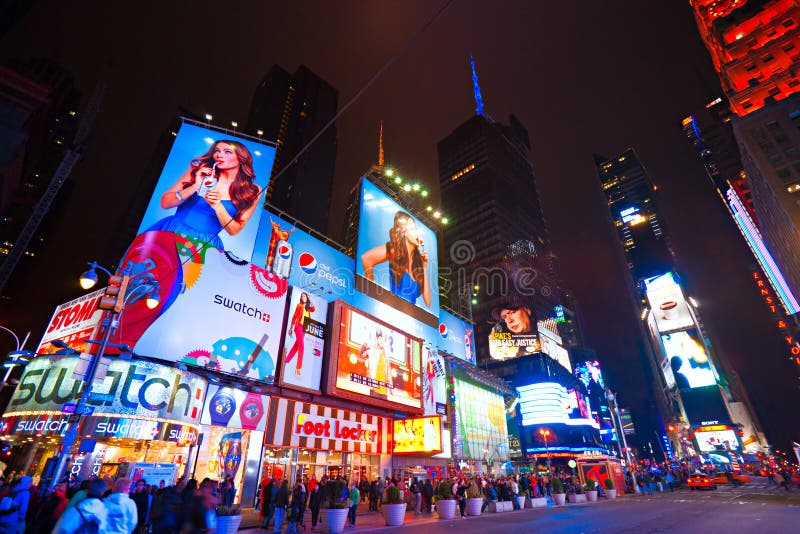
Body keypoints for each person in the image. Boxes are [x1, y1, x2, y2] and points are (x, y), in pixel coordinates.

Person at [148, 139, 261, 248]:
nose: (219, 155)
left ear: (241, 158)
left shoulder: (253, 190)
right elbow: (164, 203)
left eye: (227, 152)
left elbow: (234, 230)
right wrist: (195, 186)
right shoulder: (199, 171)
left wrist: (218, 207)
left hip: (206, 245)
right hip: (173, 230)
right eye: (217, 151)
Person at [361, 211, 431, 307]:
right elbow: (366, 258)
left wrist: (424, 266)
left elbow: (428, 302)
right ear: (404, 233)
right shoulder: (395, 250)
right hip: (393, 312)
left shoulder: (418, 264)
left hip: (412, 317)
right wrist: (372, 292)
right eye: (412, 229)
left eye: (416, 229)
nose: (416, 234)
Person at [284, 293, 315, 377]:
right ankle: (298, 368)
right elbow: (294, 317)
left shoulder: (308, 308)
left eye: (304, 296)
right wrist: (290, 328)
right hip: (299, 327)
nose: (303, 297)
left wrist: (310, 299)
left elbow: (314, 309)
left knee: (296, 346)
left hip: (305, 328)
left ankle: (286, 360)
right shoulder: (299, 305)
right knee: (301, 347)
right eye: (302, 296)